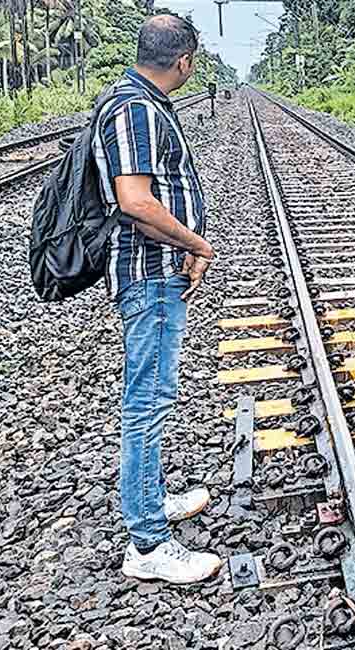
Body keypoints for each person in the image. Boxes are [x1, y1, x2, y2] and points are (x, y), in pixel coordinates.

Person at [95, 15, 220, 584]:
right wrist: (199, 243)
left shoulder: (136, 100)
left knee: (152, 399)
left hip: (157, 271)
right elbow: (136, 203)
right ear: (185, 61)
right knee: (146, 404)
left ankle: (151, 497)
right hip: (148, 275)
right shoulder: (138, 109)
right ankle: (147, 544)